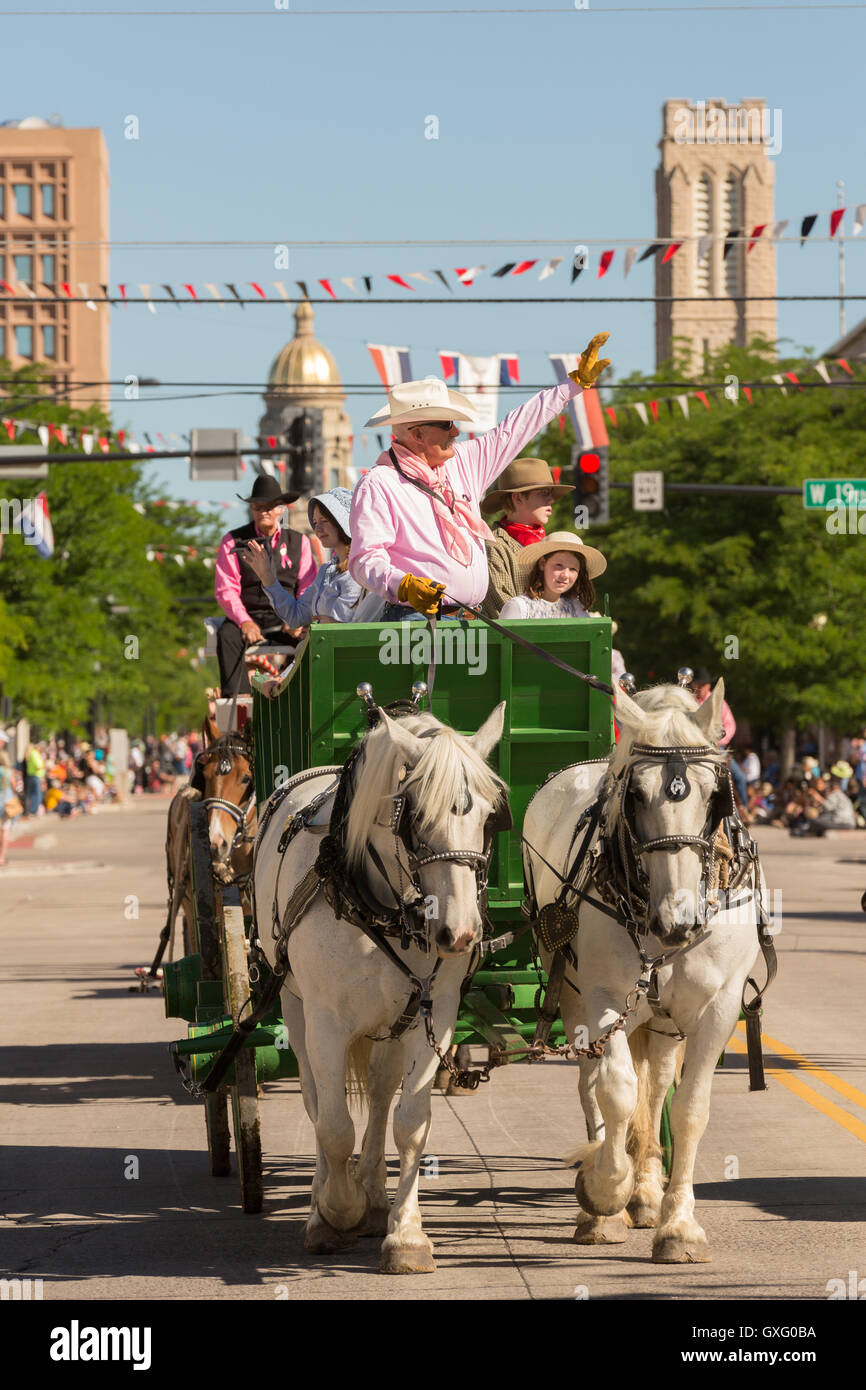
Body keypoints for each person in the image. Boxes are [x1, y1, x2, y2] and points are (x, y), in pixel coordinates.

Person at [348, 333, 610, 621]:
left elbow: (516, 428)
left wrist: (569, 387)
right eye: (447, 424)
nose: (455, 432)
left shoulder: (463, 461)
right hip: (416, 619)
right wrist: (404, 585)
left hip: (470, 619)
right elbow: (364, 560)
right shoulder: (381, 483)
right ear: (418, 434)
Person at [214, 473, 317, 695]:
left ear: (281, 508)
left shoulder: (300, 542)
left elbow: (308, 586)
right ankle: (240, 702)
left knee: (311, 636)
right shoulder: (232, 541)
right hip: (247, 615)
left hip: (286, 615)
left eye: (271, 506)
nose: (265, 511)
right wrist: (244, 622)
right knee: (227, 636)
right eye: (259, 506)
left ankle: (297, 693)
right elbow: (226, 590)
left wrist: (298, 617)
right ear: (251, 509)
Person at [242, 486, 363, 628]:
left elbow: (346, 626)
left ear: (342, 521)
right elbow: (296, 616)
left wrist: (318, 626)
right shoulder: (326, 571)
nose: (318, 529)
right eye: (315, 522)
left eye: (324, 521)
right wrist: (266, 576)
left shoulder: (358, 570)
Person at [478, 458, 574, 617]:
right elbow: (506, 616)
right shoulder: (494, 547)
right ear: (518, 498)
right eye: (544, 493)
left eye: (550, 494)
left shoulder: (548, 544)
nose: (551, 500)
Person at [499, 531, 606, 620]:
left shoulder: (577, 609)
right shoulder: (519, 607)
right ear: (542, 564)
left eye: (573, 569)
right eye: (559, 565)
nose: (565, 575)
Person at [791, 774, 858, 836]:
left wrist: (817, 797)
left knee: (815, 821)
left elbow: (827, 806)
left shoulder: (835, 794)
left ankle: (804, 832)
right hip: (849, 822)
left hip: (842, 822)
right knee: (822, 818)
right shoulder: (843, 796)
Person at [691, 667, 736, 747]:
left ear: (708, 685)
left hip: (715, 746)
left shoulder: (718, 702)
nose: (700, 688)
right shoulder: (688, 700)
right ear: (693, 685)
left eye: (702, 685)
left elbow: (730, 725)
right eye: (697, 684)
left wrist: (718, 741)